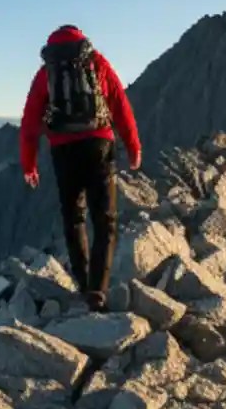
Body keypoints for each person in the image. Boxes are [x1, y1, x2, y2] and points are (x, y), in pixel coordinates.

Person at [20, 25, 142, 311]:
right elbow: (120, 104)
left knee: (74, 218)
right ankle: (98, 290)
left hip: (63, 150)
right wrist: (133, 146)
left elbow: (29, 121)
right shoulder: (96, 62)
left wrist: (29, 164)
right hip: (98, 144)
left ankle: (84, 282)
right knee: (105, 219)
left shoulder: (47, 72)